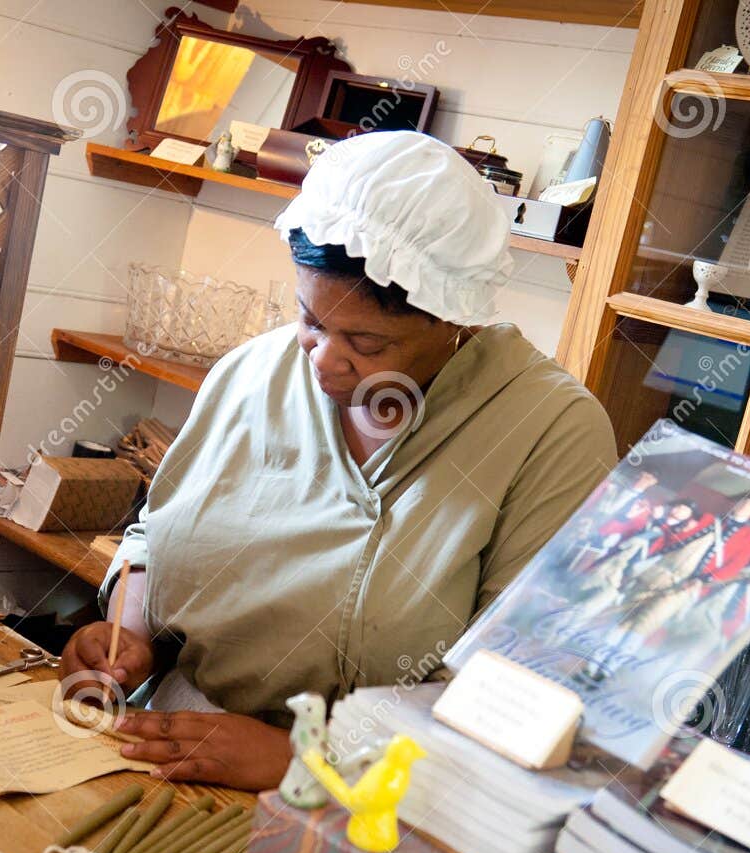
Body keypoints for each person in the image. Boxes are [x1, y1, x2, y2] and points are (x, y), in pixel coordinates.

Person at [59, 131, 617, 790]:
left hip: (378, 799)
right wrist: (128, 632)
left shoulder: (549, 430)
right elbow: (158, 532)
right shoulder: (251, 373)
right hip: (167, 743)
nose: (321, 358)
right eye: (310, 318)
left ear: (454, 321)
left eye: (367, 341)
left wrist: (307, 762)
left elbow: (524, 694)